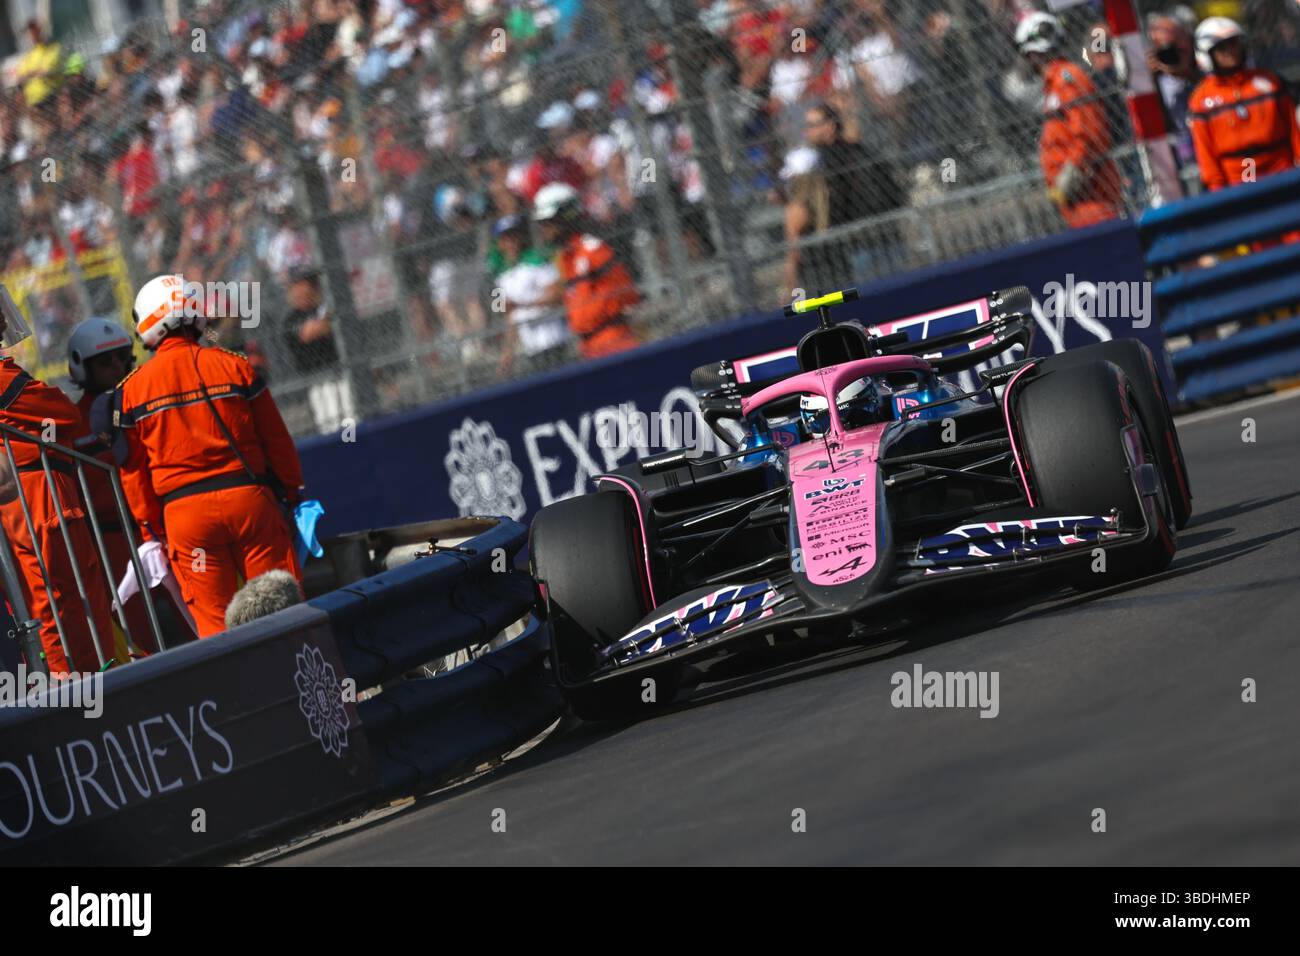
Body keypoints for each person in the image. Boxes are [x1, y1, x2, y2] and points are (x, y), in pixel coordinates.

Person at [114, 275, 305, 638]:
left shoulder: (131, 392)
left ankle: (242, 694)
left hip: (186, 519)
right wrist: (294, 494)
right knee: (284, 613)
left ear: (147, 324)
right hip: (249, 503)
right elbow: (277, 440)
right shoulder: (235, 366)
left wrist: (150, 530)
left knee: (216, 631)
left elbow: (133, 473)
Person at [0, 291, 116, 675]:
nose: (4, 324)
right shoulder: (4, 379)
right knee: (69, 593)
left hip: (24, 501)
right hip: (40, 496)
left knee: (45, 598)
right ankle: (86, 676)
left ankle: (69, 677)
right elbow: (64, 414)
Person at [67, 317, 172, 654]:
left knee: (193, 618)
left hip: (162, 528)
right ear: (83, 367)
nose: (116, 366)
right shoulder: (69, 422)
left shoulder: (146, 397)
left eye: (121, 357)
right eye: (105, 361)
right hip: (111, 542)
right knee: (137, 635)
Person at [1015, 12, 1122, 228]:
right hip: (1076, 199)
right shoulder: (1053, 86)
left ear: (1032, 52)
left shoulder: (1068, 78)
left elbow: (1088, 134)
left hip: (1092, 194)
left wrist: (1071, 174)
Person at [1188, 17, 1300, 194]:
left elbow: (1294, 129)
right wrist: (1217, 190)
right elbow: (1205, 152)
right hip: (1238, 179)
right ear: (1206, 54)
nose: (1230, 51)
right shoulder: (1201, 100)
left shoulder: (1270, 83)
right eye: (1222, 48)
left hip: (1281, 168)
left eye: (1234, 44)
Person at [532, 183, 641, 360]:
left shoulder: (593, 250)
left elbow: (628, 295)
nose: (544, 230)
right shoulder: (565, 259)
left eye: (548, 223)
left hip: (615, 343)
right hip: (589, 348)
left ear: (566, 218)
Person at [490, 215, 571, 374]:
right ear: (499, 243)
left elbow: (556, 296)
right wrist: (508, 351)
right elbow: (505, 312)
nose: (511, 242)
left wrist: (522, 305)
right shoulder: (501, 276)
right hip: (531, 346)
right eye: (506, 238)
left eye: (514, 236)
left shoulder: (537, 261)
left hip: (553, 338)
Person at [281, 269, 354, 434]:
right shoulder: (292, 319)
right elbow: (310, 332)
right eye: (299, 285)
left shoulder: (324, 308)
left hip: (344, 376)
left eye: (311, 284)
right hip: (321, 384)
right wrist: (331, 315)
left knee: (352, 430)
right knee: (334, 431)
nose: (306, 289)